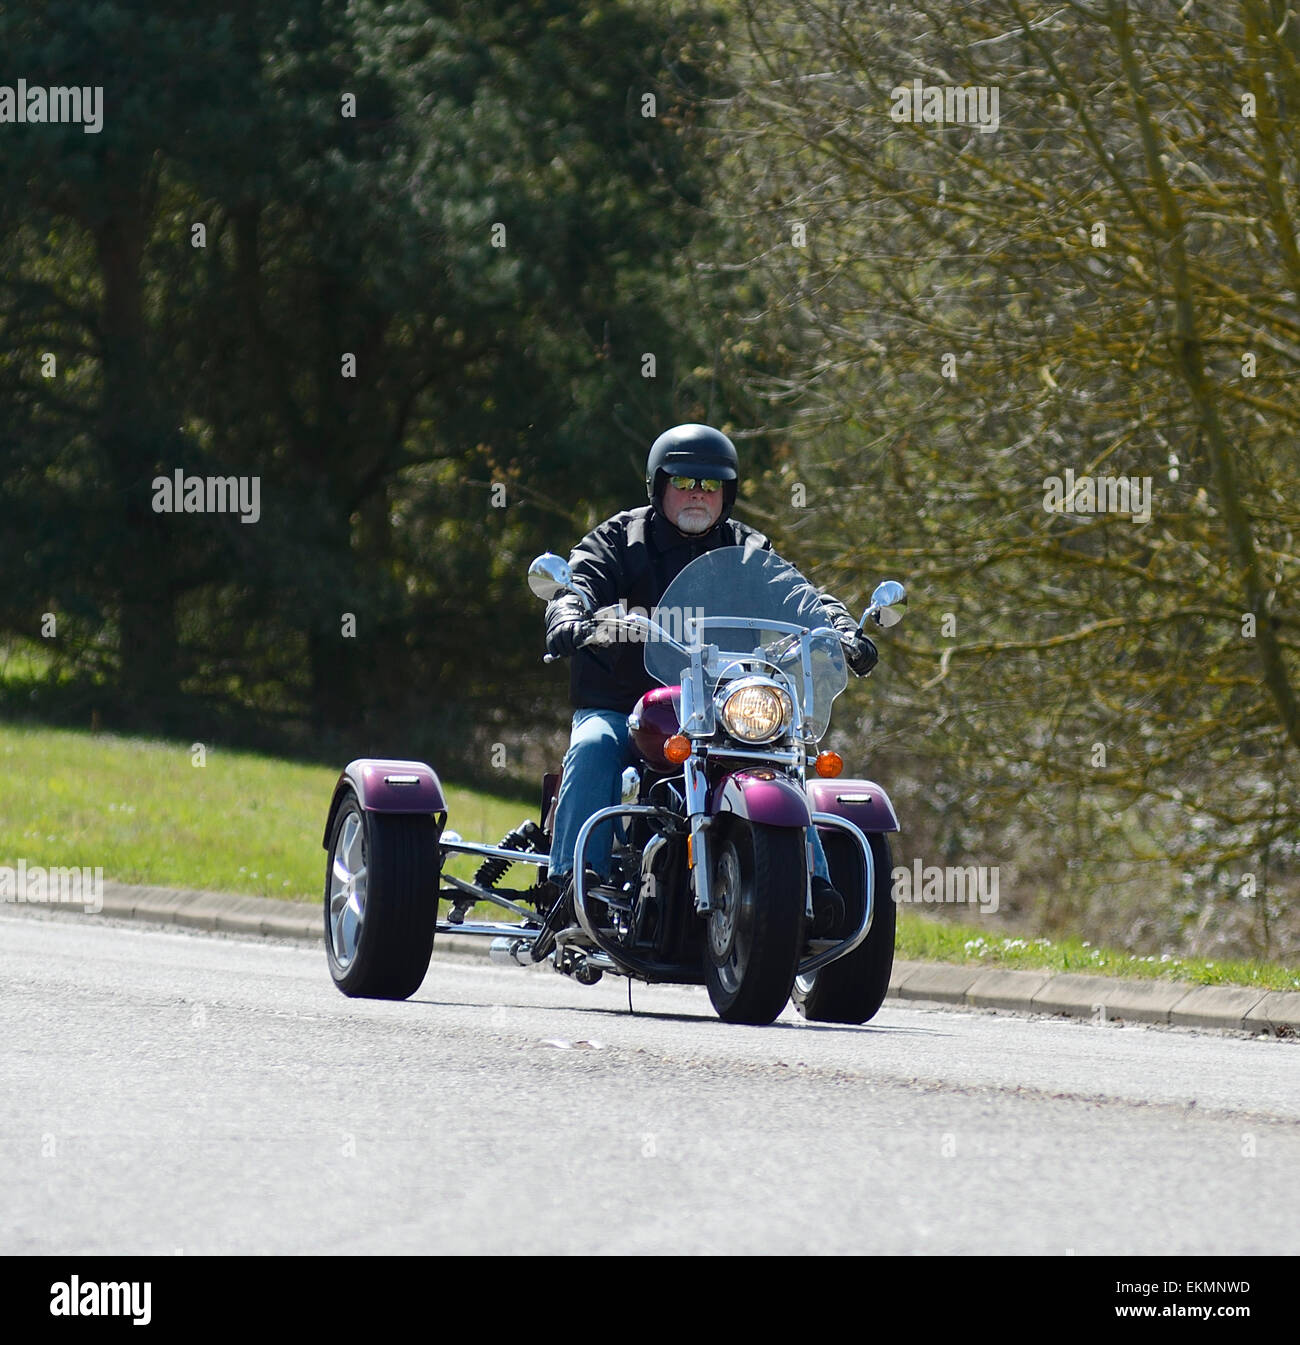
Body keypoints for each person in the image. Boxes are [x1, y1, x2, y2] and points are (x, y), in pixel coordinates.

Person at [531, 423, 876, 957]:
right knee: (594, 745)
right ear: (659, 484)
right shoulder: (620, 539)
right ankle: (574, 887)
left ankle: (813, 887)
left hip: (721, 709)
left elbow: (799, 594)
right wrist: (570, 613)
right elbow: (579, 582)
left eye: (711, 485)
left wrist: (841, 629)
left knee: (781, 762)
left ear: (727, 493)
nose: (698, 493)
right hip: (627, 707)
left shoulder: (746, 549)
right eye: (685, 481)